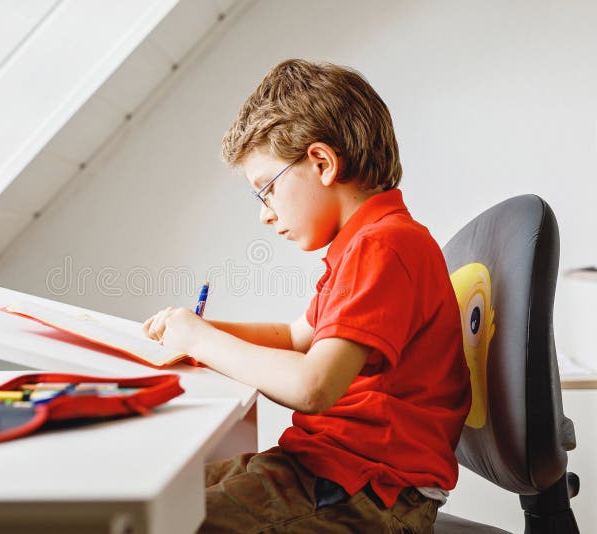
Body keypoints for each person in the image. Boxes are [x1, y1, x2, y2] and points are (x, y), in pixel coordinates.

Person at [142, 59, 471, 533]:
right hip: (328, 470)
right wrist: (195, 331)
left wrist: (200, 341)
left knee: (164, 522)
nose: (265, 214)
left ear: (322, 163)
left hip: (367, 492)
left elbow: (313, 387)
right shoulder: (365, 244)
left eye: (267, 190)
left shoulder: (384, 245)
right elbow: (297, 337)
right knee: (153, 500)